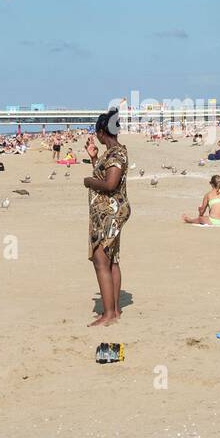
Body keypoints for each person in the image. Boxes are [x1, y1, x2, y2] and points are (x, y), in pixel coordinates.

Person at [84, 110, 129, 327]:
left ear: (103, 132)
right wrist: (94, 159)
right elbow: (105, 177)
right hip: (109, 212)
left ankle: (109, 313)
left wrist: (89, 182)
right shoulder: (112, 153)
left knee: (101, 260)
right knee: (112, 260)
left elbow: (110, 185)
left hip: (110, 213)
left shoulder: (116, 155)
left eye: (98, 134)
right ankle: (115, 310)